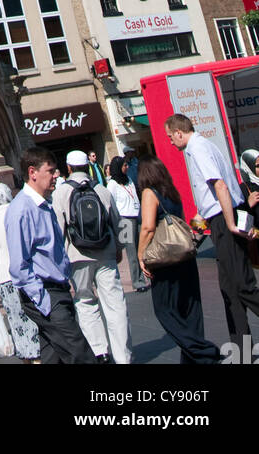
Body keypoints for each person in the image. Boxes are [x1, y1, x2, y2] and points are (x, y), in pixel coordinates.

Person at [165, 112, 259, 342]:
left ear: (179, 132)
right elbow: (212, 193)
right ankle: (241, 350)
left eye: (170, 136)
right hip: (220, 217)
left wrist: (229, 223)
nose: (169, 141)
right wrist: (203, 217)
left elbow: (220, 187)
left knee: (242, 285)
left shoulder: (197, 149)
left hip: (224, 219)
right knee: (229, 290)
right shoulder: (204, 145)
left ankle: (241, 350)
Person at [5, 147, 95, 365]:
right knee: (81, 355)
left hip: (56, 290)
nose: (56, 175)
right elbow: (19, 266)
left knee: (53, 356)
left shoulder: (44, 204)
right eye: (51, 171)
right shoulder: (22, 209)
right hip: (45, 293)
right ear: (33, 172)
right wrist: (43, 300)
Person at [136, 155, 220, 364]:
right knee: (190, 309)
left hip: (164, 261)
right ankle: (193, 360)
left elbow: (148, 227)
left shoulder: (149, 192)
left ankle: (205, 352)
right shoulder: (171, 191)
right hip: (185, 257)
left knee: (165, 310)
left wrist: (140, 255)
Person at [53, 149, 131, 364]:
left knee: (85, 301)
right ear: (87, 166)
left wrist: (60, 259)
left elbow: (59, 230)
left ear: (68, 168)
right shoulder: (101, 189)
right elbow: (117, 221)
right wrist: (119, 247)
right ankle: (123, 357)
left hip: (77, 256)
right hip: (105, 252)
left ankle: (100, 352)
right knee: (115, 304)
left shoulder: (61, 193)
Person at [0, 181, 40, 362]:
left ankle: (26, 357)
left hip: (5, 279)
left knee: (16, 320)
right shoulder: (19, 212)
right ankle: (38, 353)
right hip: (26, 273)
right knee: (33, 315)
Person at [107, 156, 148, 292]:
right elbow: (110, 203)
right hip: (124, 219)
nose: (127, 167)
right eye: (124, 165)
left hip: (136, 216)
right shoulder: (112, 184)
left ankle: (144, 276)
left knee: (141, 248)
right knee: (132, 252)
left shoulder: (129, 180)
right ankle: (138, 281)